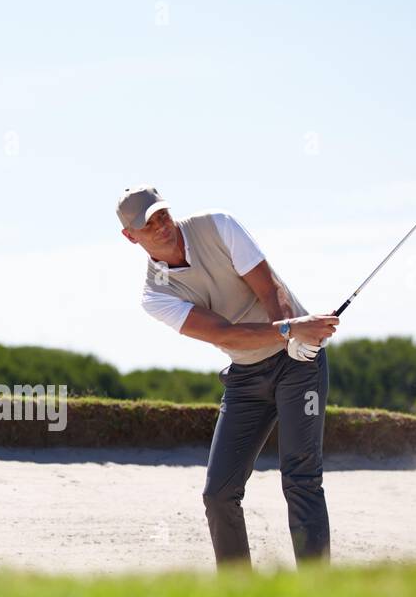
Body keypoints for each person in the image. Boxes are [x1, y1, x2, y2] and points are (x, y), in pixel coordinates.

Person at [118, 185, 339, 566]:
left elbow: (270, 288)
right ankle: (238, 592)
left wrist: (290, 336)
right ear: (130, 236)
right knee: (218, 493)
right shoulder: (154, 295)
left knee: (300, 477)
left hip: (299, 365)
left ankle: (316, 590)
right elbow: (222, 333)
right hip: (246, 376)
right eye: (148, 224)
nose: (161, 226)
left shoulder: (217, 225)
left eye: (162, 214)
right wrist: (288, 332)